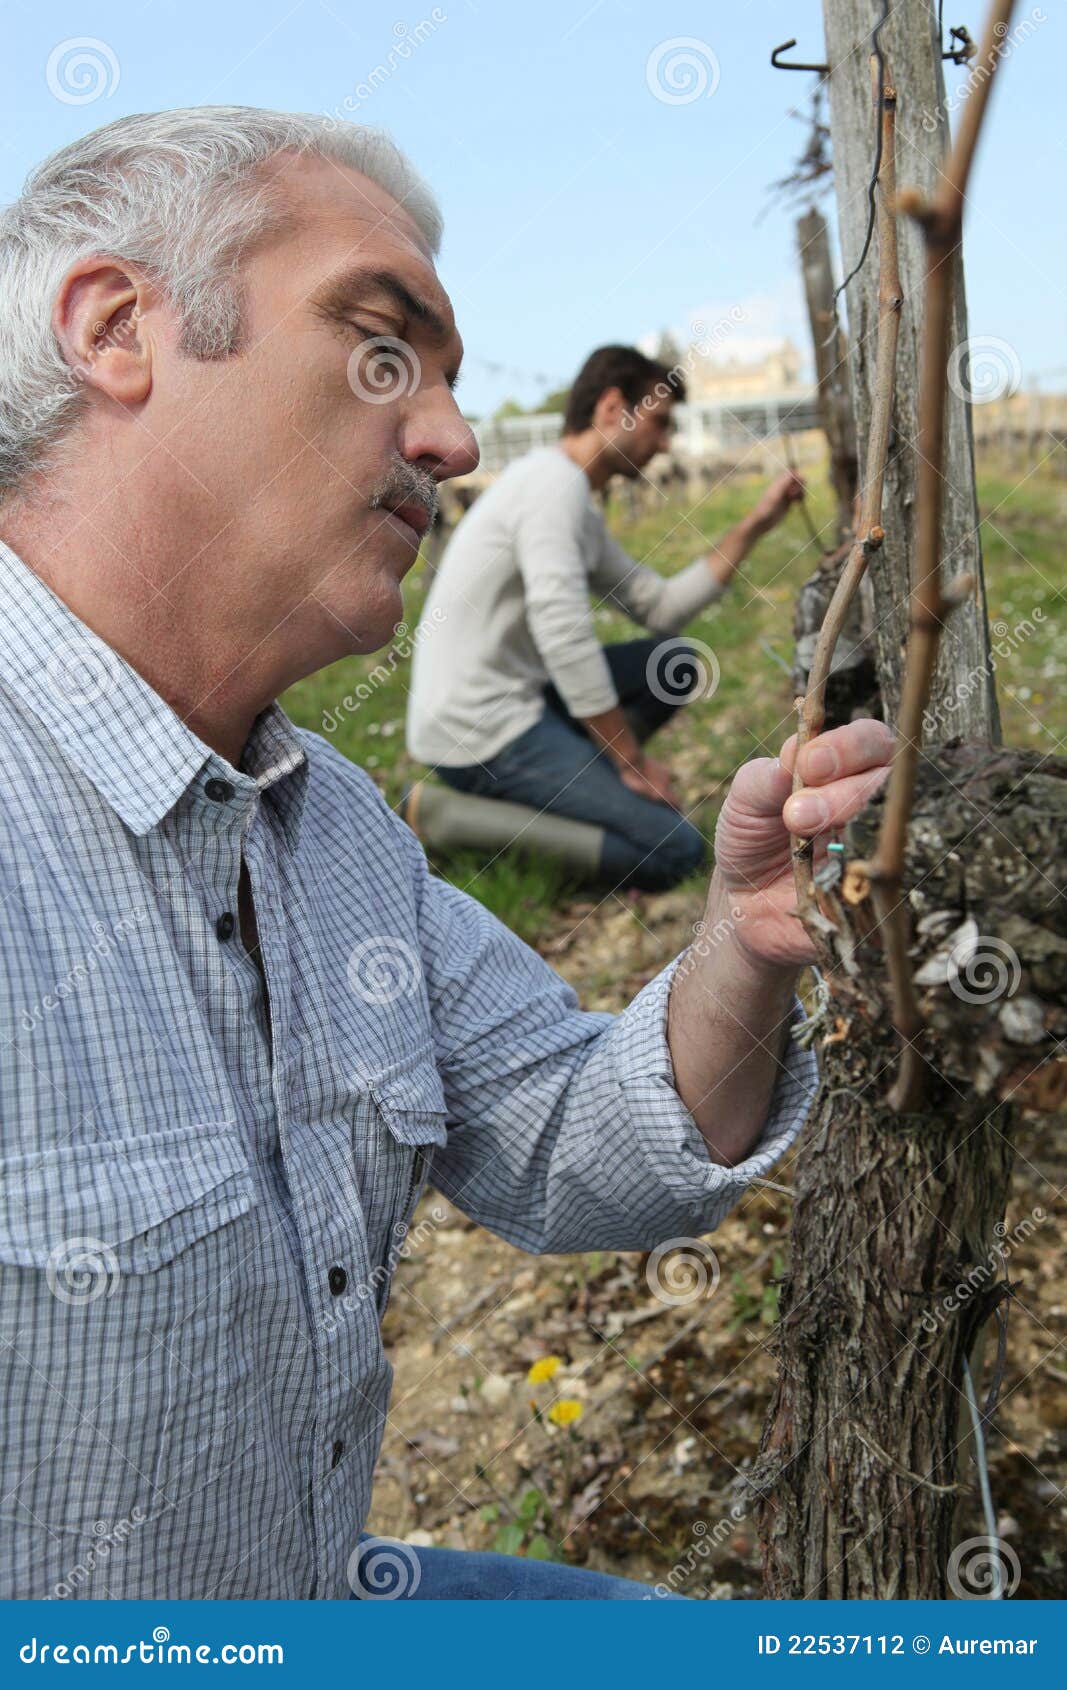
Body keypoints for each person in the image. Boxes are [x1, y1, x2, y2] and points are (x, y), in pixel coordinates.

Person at [0, 108, 892, 1601]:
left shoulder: (328, 824)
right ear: (114, 326)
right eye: (377, 344)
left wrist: (740, 941)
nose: (452, 439)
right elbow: (574, 640)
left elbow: (566, 1139)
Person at [405, 345, 805, 890]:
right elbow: (562, 634)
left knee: (675, 661)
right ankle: (446, 817)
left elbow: (658, 607)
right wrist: (632, 760)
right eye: (661, 423)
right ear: (614, 407)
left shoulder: (567, 493)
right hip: (478, 733)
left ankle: (588, 780)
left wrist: (758, 522)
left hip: (518, 697)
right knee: (675, 850)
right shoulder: (553, 488)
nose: (666, 443)